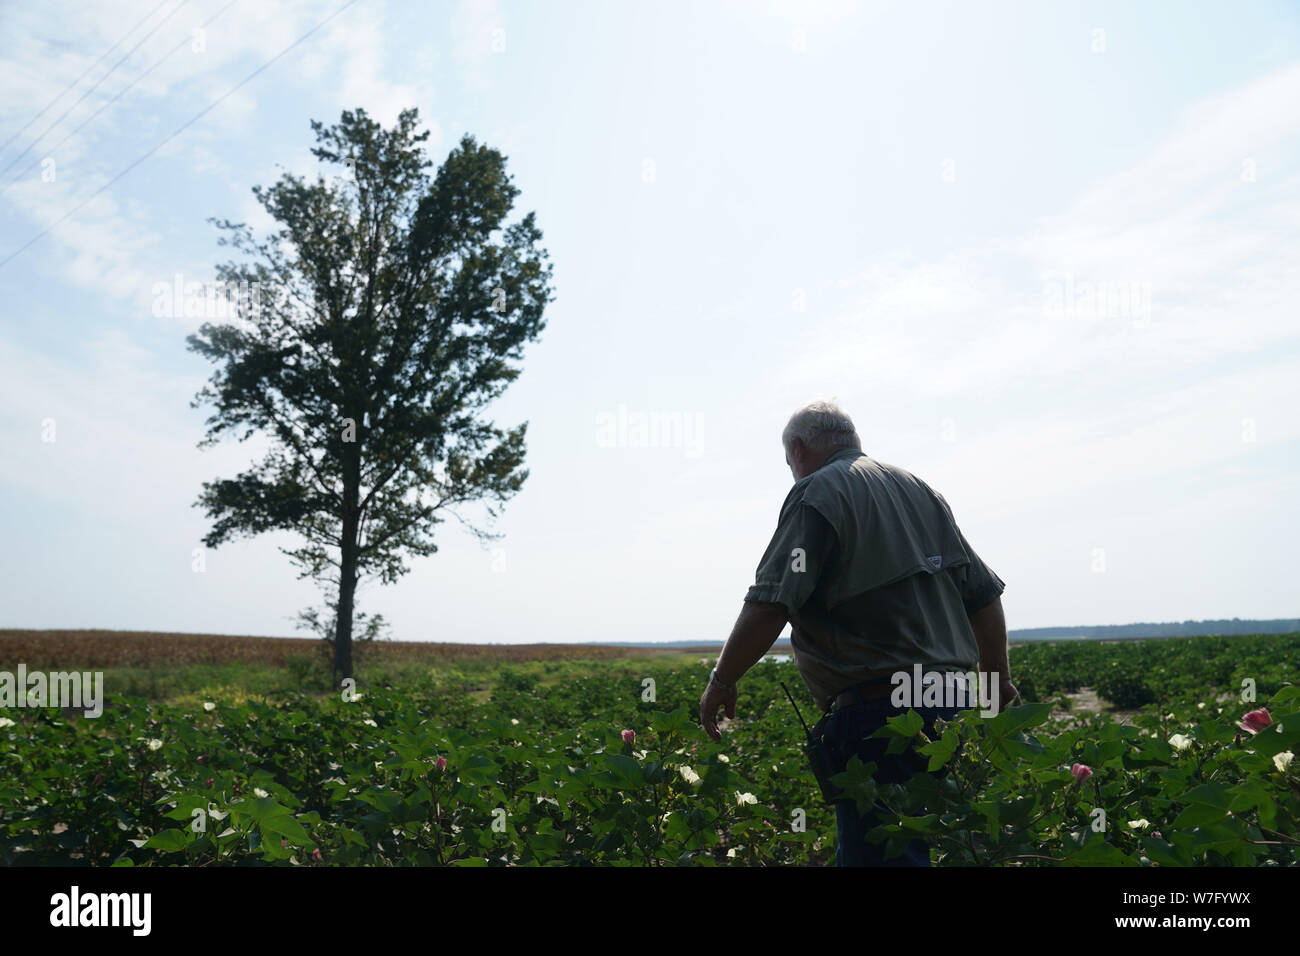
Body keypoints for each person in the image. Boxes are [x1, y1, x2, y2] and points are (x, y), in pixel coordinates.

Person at [699, 400, 1019, 866]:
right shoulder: (919, 489)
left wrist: (722, 680)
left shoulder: (817, 493)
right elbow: (983, 597)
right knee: (948, 845)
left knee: (884, 852)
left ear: (799, 448)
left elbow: (771, 603)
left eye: (789, 464)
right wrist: (997, 681)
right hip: (952, 705)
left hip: (881, 713)